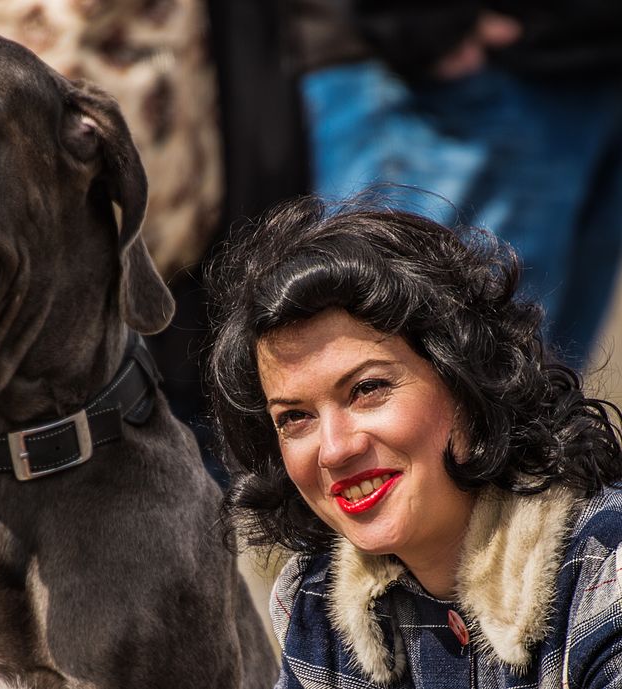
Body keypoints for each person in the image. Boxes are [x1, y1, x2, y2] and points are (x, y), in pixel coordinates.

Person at [206, 197, 622, 687]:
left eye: (368, 389)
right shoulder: (316, 603)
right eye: (295, 417)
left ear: (466, 380)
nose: (335, 449)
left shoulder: (603, 573)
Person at [290, 1, 622, 365]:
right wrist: (427, 22)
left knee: (542, 389)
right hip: (444, 71)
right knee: (404, 365)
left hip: (591, 60)